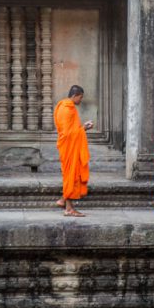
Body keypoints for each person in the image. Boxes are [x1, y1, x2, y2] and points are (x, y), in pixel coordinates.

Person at [54, 85, 93, 217]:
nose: (81, 100)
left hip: (68, 146)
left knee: (70, 175)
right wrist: (84, 129)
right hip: (69, 147)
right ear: (75, 95)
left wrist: (81, 128)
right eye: (80, 97)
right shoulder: (68, 109)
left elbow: (69, 131)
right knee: (71, 176)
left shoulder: (63, 106)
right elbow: (68, 134)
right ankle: (69, 209)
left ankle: (62, 200)